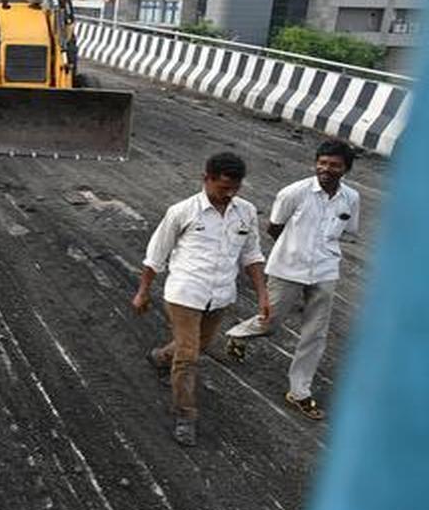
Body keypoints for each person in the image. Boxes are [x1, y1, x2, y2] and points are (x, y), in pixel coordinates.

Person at [132, 152, 271, 446]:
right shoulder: (182, 211)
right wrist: (143, 291)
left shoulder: (245, 212)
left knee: (200, 344)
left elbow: (252, 255)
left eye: (235, 188)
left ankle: (160, 357)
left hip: (220, 296)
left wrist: (263, 295)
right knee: (189, 355)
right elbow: (155, 255)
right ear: (205, 179)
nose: (229, 194)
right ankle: (185, 415)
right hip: (185, 293)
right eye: (223, 188)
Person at [224, 140, 361, 421]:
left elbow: (349, 231)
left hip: (325, 271)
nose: (326, 168)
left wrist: (321, 251)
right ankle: (238, 335)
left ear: (345, 168)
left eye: (334, 165)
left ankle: (299, 391)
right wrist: (296, 250)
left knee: (315, 333)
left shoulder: (351, 199)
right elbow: (274, 226)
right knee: (270, 322)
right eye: (322, 162)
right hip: (287, 268)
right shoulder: (294, 193)